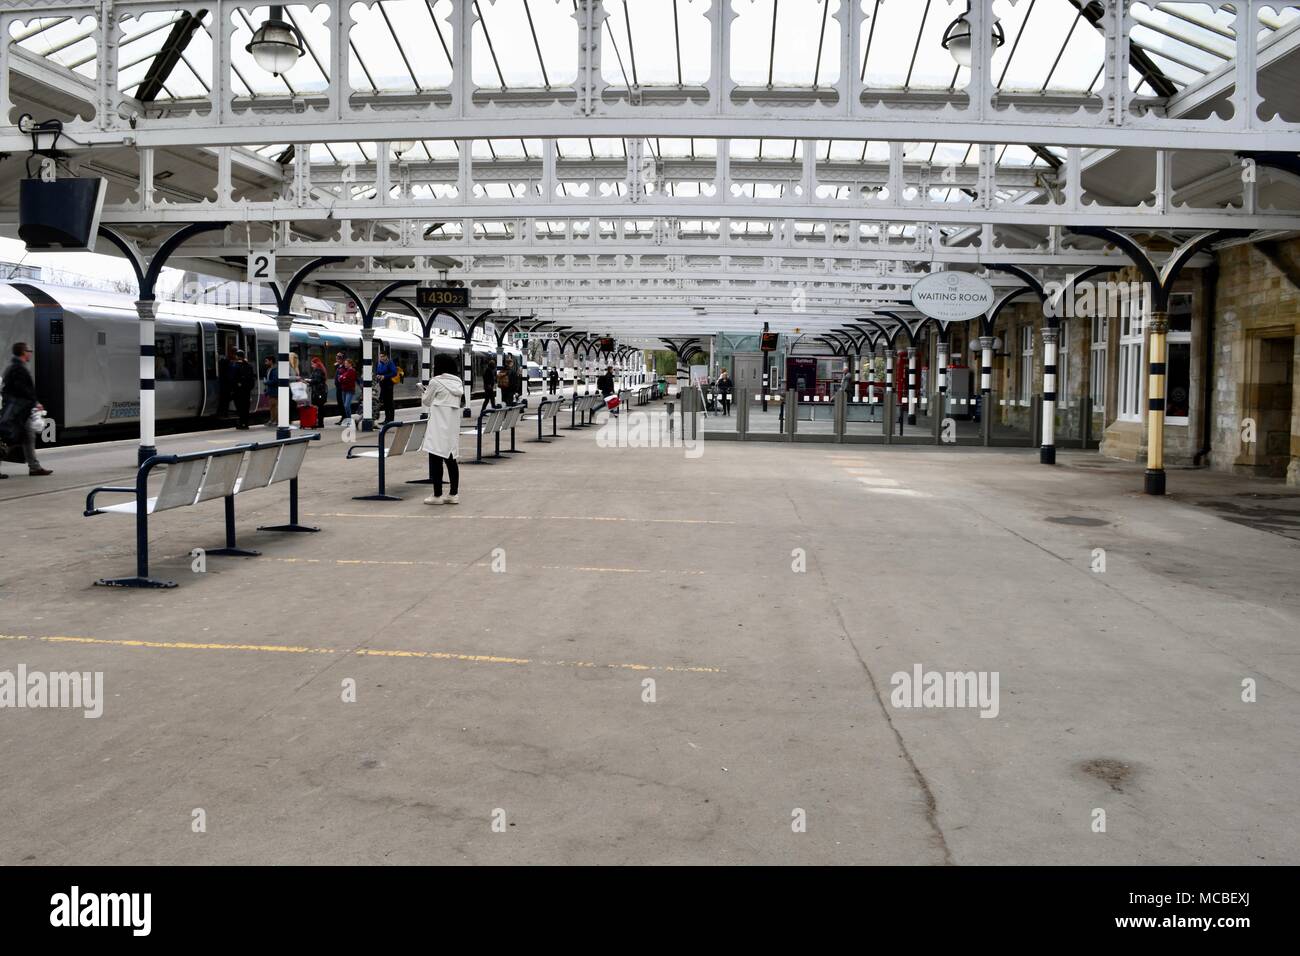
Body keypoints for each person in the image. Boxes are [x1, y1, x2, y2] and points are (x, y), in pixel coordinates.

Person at [0, 342, 52, 477]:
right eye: (29, 351)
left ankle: (34, 467)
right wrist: (35, 402)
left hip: (21, 410)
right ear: (23, 352)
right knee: (9, 440)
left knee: (27, 437)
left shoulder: (14, 367)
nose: (30, 353)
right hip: (19, 412)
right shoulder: (18, 368)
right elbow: (23, 390)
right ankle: (34, 467)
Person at [421, 352, 465, 506]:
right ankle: (453, 494)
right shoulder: (458, 382)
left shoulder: (435, 382)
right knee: (451, 459)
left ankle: (437, 494)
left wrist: (424, 391)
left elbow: (426, 401)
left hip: (438, 425)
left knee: (435, 458)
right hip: (452, 426)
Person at [229, 349, 256, 430]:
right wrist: (248, 387)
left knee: (240, 408)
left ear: (237, 356)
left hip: (238, 391)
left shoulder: (235, 366)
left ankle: (241, 423)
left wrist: (234, 388)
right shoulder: (249, 366)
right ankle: (246, 424)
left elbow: (232, 379)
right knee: (246, 407)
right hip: (247, 391)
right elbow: (252, 379)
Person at [375, 351, 398, 425]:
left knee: (389, 402)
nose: (381, 358)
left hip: (389, 384)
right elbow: (378, 371)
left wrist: (385, 376)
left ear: (386, 356)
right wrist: (378, 375)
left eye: (382, 356)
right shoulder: (380, 364)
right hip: (383, 385)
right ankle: (386, 419)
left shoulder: (390, 363)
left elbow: (394, 372)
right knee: (385, 402)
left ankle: (391, 419)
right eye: (380, 356)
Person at [308, 356, 329, 430]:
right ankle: (320, 423)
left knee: (318, 407)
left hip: (318, 392)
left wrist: (309, 380)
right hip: (321, 391)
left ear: (316, 364)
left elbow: (316, 380)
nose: (312, 365)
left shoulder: (318, 371)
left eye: (312, 364)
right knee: (320, 407)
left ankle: (319, 423)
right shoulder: (319, 370)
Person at [336, 358, 358, 424]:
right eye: (345, 363)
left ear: (350, 364)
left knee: (346, 405)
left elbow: (346, 380)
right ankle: (348, 420)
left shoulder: (352, 371)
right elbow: (339, 378)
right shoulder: (347, 371)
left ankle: (349, 420)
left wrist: (342, 377)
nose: (345, 364)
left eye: (346, 363)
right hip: (344, 390)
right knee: (345, 406)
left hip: (349, 390)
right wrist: (342, 378)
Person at [217, 346, 235, 419]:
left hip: (222, 385)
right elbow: (230, 376)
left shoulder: (222, 362)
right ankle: (225, 413)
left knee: (223, 400)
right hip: (227, 385)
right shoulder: (228, 363)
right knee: (226, 400)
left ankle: (221, 413)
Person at [262, 356, 278, 427]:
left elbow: (275, 380)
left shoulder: (275, 369)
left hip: (274, 391)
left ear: (271, 361)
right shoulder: (270, 369)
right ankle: (272, 420)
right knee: (272, 407)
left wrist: (266, 382)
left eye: (266, 361)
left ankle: (275, 420)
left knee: (274, 406)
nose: (265, 363)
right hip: (271, 391)